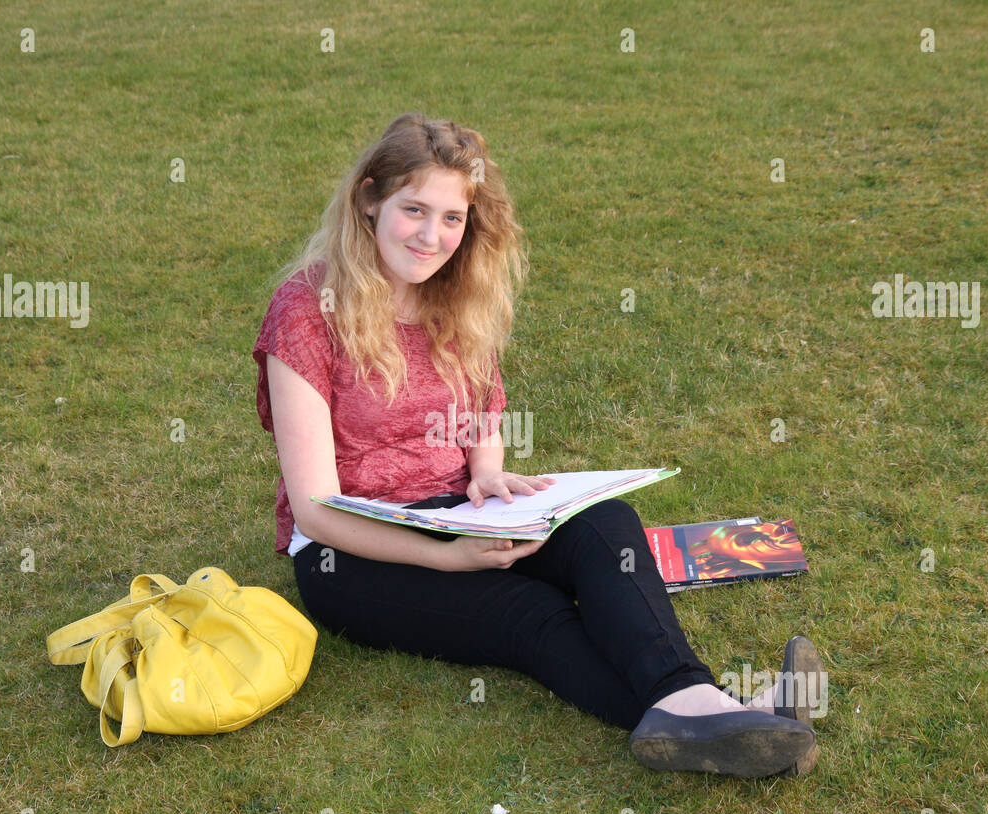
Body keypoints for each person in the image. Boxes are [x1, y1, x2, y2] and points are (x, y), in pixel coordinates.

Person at [252, 112, 819, 778]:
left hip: (455, 510)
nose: (432, 236)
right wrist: (452, 561)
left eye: (452, 219)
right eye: (414, 210)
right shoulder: (305, 310)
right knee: (532, 614)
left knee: (606, 525)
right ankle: (729, 715)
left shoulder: (456, 294)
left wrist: (487, 479)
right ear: (369, 199)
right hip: (348, 553)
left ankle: (693, 704)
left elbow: (479, 418)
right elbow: (318, 511)